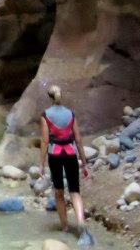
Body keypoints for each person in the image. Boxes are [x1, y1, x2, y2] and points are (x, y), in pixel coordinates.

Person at [39, 85, 94, 247]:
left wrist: (41, 164)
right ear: (60, 96)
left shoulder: (45, 115)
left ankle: (64, 228)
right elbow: (78, 139)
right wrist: (84, 162)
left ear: (50, 97)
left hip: (55, 155)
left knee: (59, 192)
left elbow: (45, 141)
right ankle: (81, 225)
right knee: (75, 191)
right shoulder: (70, 114)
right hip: (70, 154)